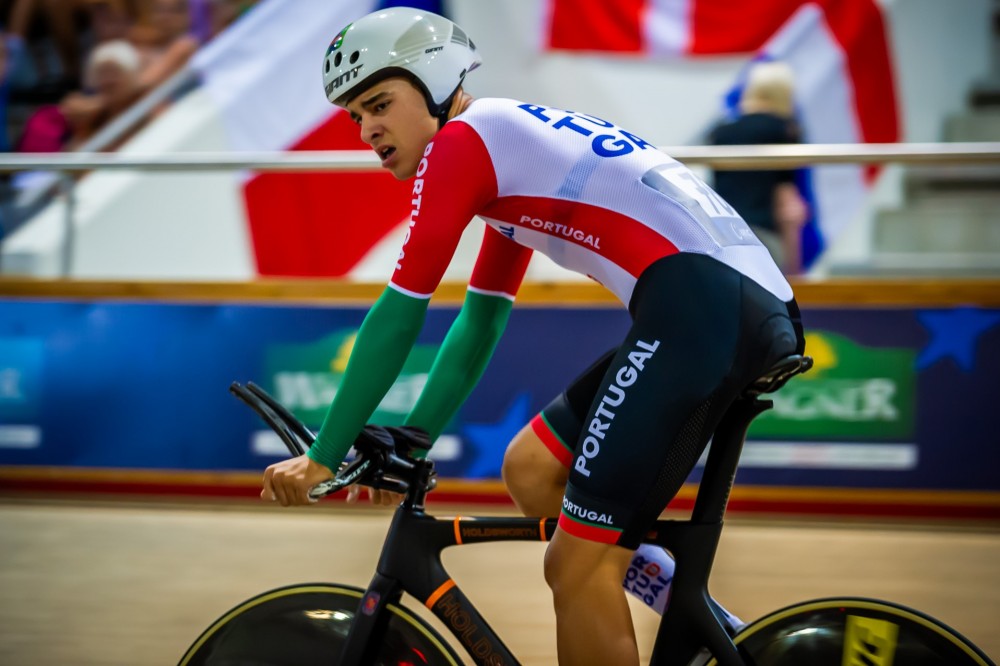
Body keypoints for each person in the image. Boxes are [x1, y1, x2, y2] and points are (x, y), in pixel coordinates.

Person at [261, 8, 805, 665]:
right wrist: (413, 441)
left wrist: (327, 450)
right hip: (721, 305)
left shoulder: (464, 143)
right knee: (533, 467)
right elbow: (482, 316)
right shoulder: (503, 146)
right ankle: (710, 631)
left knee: (576, 566)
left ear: (434, 84)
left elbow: (402, 308)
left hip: (704, 309)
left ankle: (698, 631)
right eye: (356, 114)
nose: (368, 127)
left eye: (379, 102)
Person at [708, 61, 809, 275]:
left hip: (723, 238)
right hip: (764, 238)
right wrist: (795, 272)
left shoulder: (720, 131)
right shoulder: (784, 129)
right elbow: (786, 203)